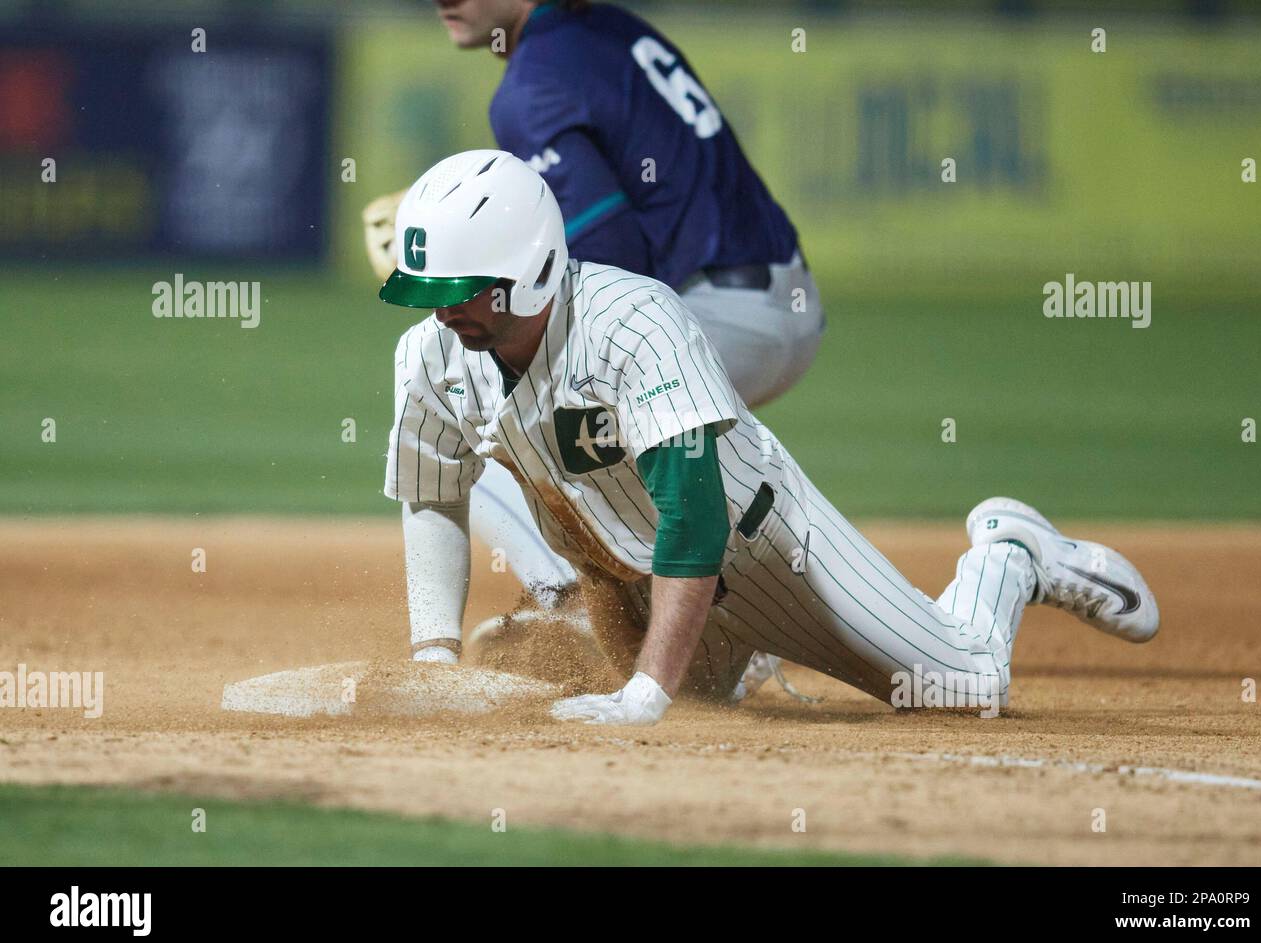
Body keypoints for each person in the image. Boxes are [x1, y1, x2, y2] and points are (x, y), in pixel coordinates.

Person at [379, 150, 1160, 724]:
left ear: (534, 271)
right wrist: (434, 658)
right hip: (628, 578)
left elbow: (695, 512)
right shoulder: (431, 354)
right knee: (694, 706)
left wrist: (646, 692)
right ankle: (724, 655)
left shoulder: (633, 323)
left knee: (965, 688)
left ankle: (1008, 555)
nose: (442, 312)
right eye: (429, 294)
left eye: (460, 291)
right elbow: (433, 496)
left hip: (766, 549)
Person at [363, 2, 823, 695]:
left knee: (506, 431)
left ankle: (574, 604)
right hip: (771, 297)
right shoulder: (599, 26)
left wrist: (461, 260)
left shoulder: (532, 82)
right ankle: (635, 607)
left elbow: (612, 266)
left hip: (716, 308)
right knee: (594, 447)